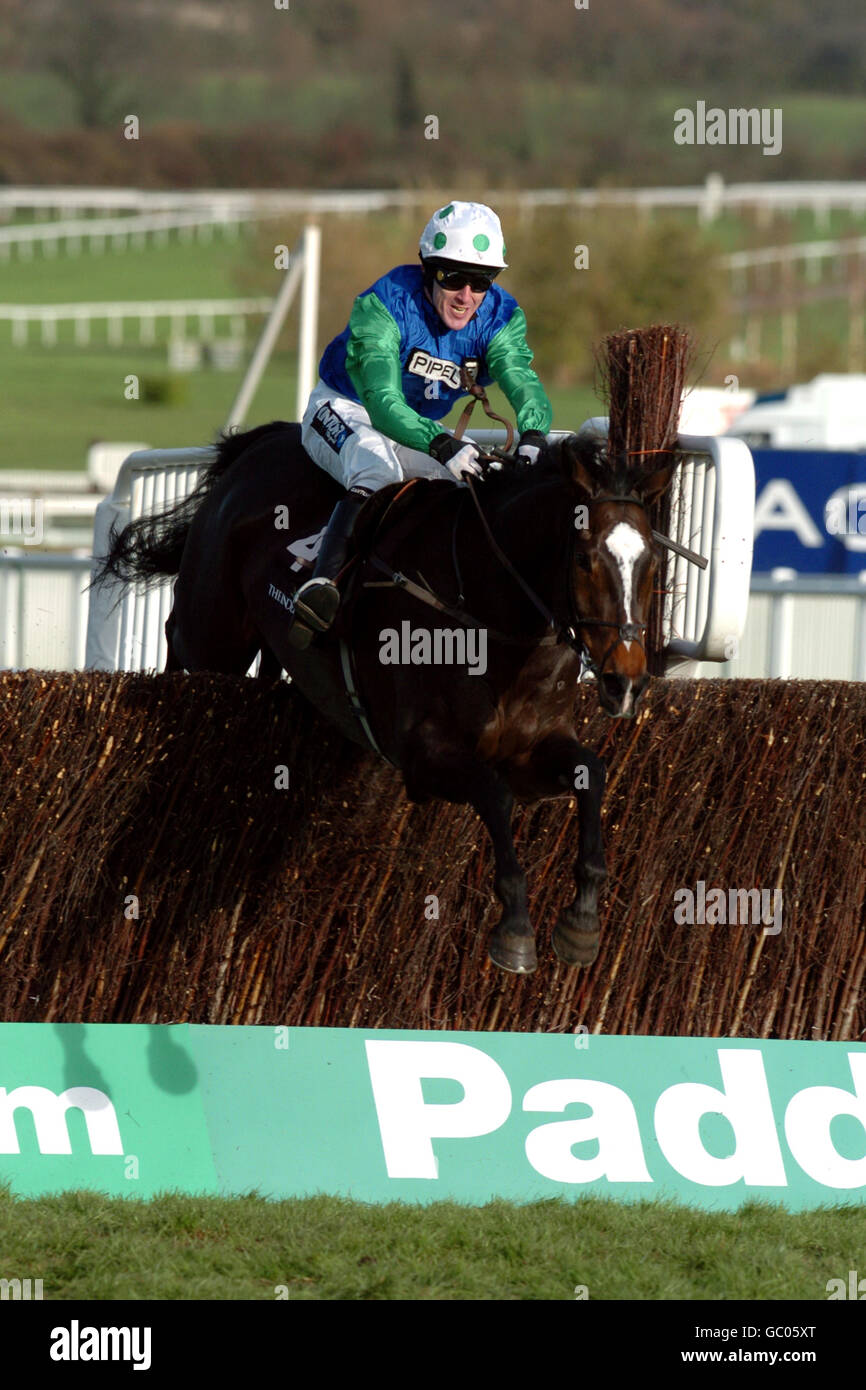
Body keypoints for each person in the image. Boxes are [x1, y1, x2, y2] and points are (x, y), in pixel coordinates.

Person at [290, 200, 553, 648]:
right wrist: (443, 444)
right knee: (377, 470)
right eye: (453, 277)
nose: (466, 295)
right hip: (345, 407)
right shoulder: (385, 304)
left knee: (469, 487)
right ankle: (321, 586)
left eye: (480, 282)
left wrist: (533, 435)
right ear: (429, 270)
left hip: (415, 426)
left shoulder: (501, 317)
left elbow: (521, 379)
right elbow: (382, 402)